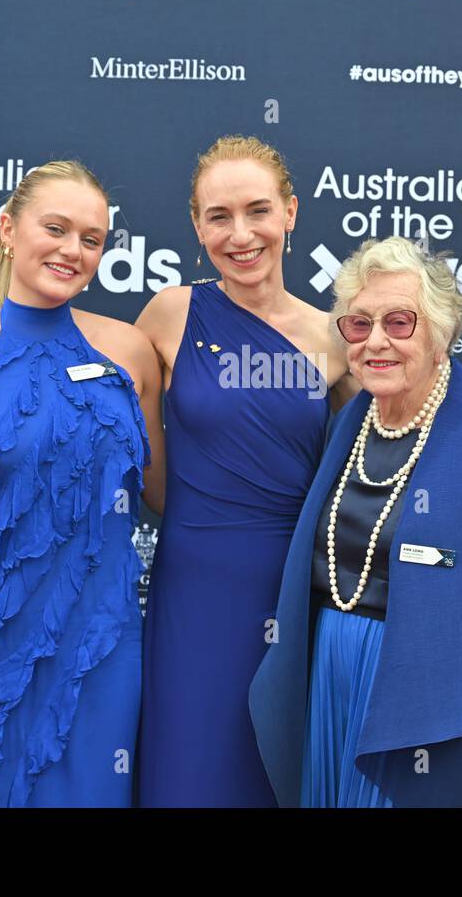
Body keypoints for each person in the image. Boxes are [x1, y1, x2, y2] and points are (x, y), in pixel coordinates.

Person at [249, 237, 462, 807]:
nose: (376, 341)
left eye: (399, 322)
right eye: (359, 323)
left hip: (431, 713)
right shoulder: (350, 424)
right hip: (330, 682)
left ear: (439, 333)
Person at [0, 160, 165, 806]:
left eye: (91, 239)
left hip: (101, 648)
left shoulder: (130, 352)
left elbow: (167, 492)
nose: (73, 250)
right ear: (9, 230)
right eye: (57, 228)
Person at [133, 136, 357, 807]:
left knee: (272, 772)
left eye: (257, 211)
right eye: (218, 217)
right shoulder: (170, 315)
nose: (240, 234)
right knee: (189, 770)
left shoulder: (337, 338)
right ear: (196, 226)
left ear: (290, 212)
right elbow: (84, 394)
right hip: (190, 589)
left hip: (290, 590)